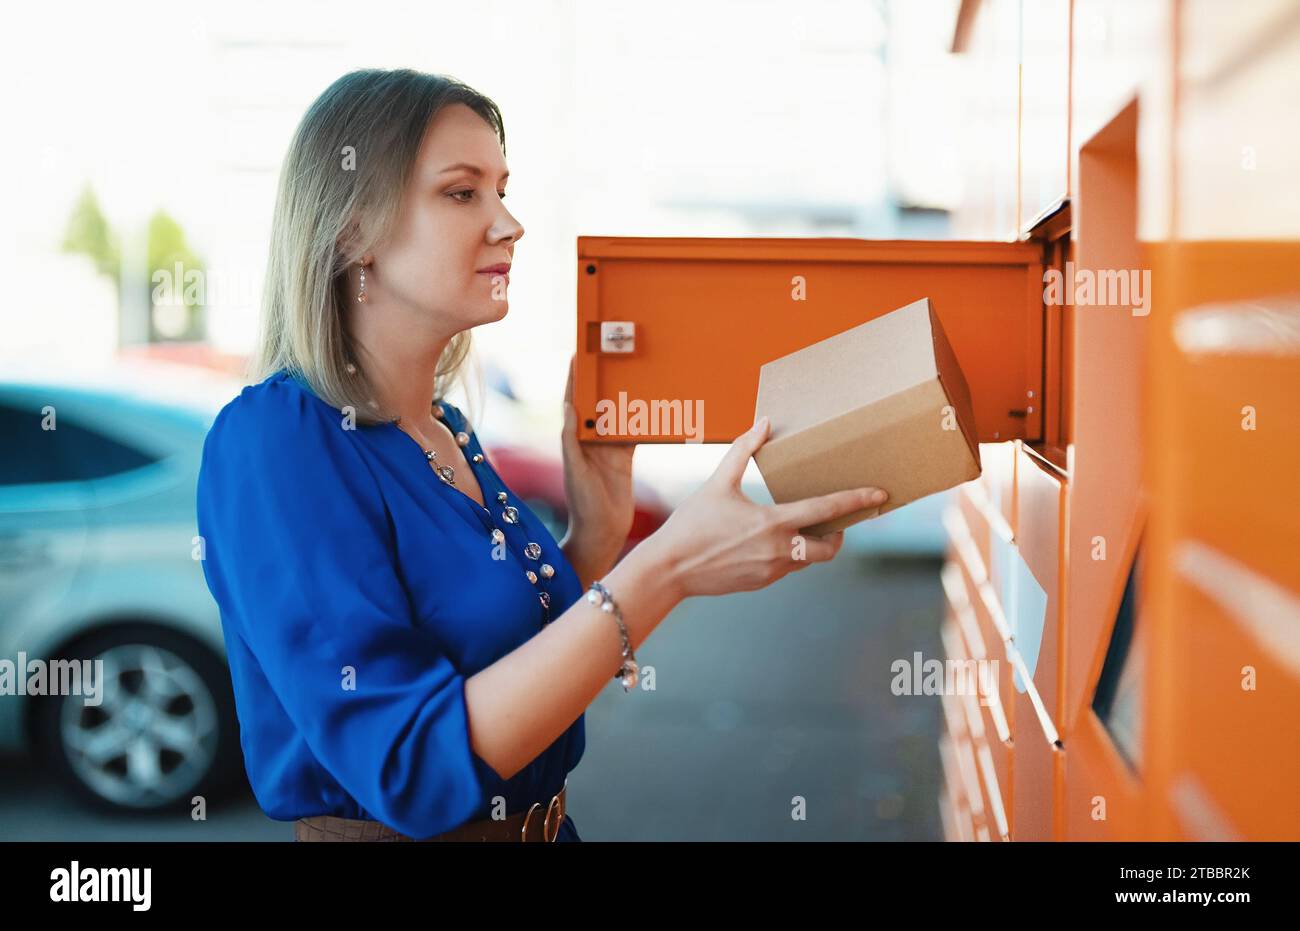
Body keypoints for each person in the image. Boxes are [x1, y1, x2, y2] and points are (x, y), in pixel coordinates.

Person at [195, 68, 887, 843]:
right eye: (464, 193)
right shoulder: (278, 441)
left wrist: (595, 536)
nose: (510, 222)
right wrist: (665, 569)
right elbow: (411, 764)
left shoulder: (445, 427)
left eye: (502, 188)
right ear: (351, 227)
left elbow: (508, 666)